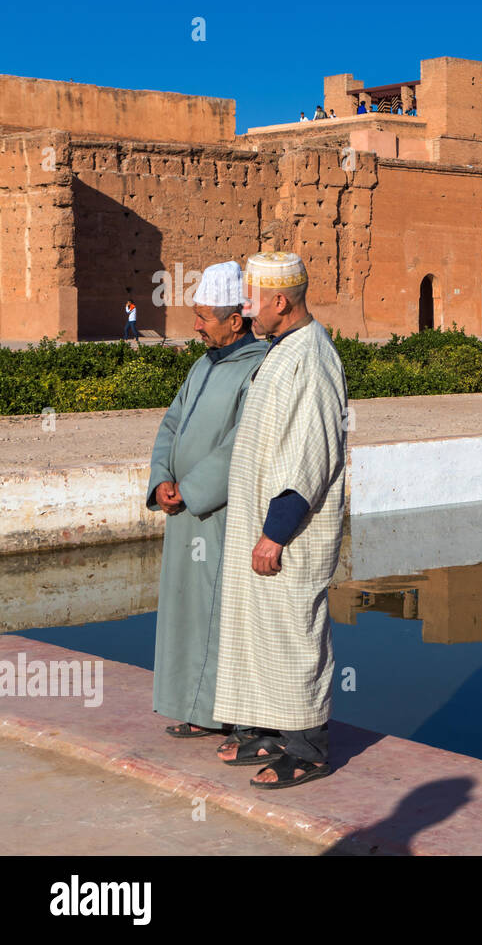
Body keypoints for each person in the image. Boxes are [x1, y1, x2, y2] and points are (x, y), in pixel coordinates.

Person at [214, 251, 347, 789]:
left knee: (295, 634)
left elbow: (309, 455)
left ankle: (309, 748)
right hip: (266, 527)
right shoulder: (282, 349)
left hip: (290, 533)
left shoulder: (311, 358)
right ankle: (270, 730)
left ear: (279, 302)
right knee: (263, 631)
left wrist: (276, 531)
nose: (246, 310)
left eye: (252, 299)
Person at [147, 262, 269, 740]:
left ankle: (224, 711)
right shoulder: (203, 365)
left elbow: (242, 443)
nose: (195, 326)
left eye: (203, 317)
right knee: (186, 612)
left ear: (233, 321)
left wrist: (192, 491)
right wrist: (161, 480)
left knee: (218, 612)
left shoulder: (258, 368)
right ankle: (197, 708)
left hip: (216, 516)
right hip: (183, 514)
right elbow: (171, 425)